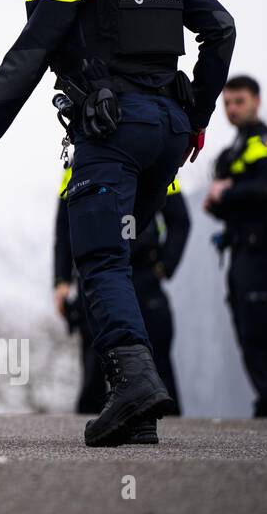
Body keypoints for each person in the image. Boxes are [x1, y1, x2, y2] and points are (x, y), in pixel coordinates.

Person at [0, 0, 235, 446]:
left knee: (100, 260)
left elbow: (32, 52)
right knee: (124, 258)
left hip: (113, 132)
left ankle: (134, 385)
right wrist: (197, 119)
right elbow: (222, 27)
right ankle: (136, 418)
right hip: (166, 132)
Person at [55, 166, 189, 435]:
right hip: (93, 274)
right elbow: (63, 227)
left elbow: (180, 220)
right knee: (94, 363)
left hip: (141, 273)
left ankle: (164, 428)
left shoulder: (152, 153)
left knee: (156, 357)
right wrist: (61, 281)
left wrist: (163, 267)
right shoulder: (79, 161)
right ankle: (96, 427)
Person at [204, 75, 267, 417]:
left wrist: (227, 192)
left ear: (257, 100)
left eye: (239, 101)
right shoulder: (233, 150)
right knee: (247, 332)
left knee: (261, 332)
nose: (232, 109)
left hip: (266, 253)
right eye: (227, 103)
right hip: (241, 254)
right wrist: (221, 197)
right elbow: (216, 206)